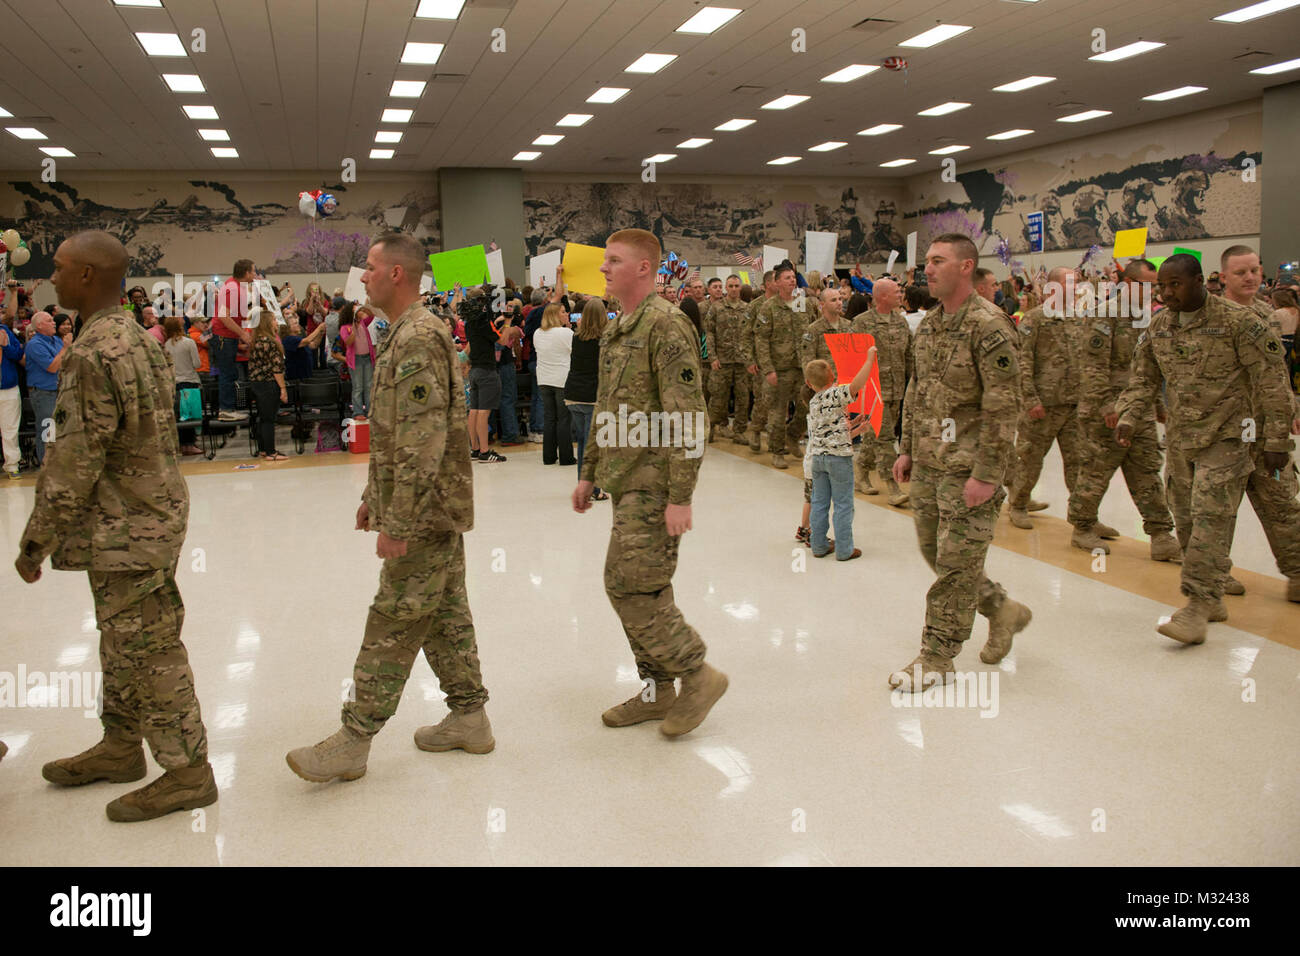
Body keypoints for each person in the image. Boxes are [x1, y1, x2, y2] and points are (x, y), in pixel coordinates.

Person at [17, 230, 216, 821]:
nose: (50, 277)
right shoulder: (134, 335)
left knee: (150, 648)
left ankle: (188, 772)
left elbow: (75, 458)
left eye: (58, 267)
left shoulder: (93, 351)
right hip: (145, 515)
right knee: (122, 640)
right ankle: (122, 746)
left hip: (129, 526)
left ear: (85, 277)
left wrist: (36, 541)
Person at [287, 232, 491, 782]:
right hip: (427, 506)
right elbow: (399, 432)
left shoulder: (419, 336)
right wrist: (372, 497)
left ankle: (354, 739)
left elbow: (423, 440)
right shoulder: (405, 332)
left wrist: (397, 520)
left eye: (371, 266)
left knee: (393, 618)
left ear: (396, 274)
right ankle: (469, 715)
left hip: (423, 512)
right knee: (444, 616)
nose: (364, 275)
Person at [572, 227, 726, 736]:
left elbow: (689, 416)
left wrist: (681, 496)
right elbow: (607, 407)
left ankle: (697, 675)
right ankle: (658, 690)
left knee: (631, 584)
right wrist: (589, 471)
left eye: (613, 260)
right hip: (624, 479)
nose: (603, 268)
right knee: (637, 584)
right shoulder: (619, 328)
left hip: (655, 481)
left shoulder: (666, 325)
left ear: (644, 268)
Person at [1114, 254, 1297, 644]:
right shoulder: (1160, 325)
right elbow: (1142, 378)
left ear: (1200, 281)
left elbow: (1273, 383)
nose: (1166, 293)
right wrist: (1129, 416)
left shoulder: (1239, 323)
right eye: (1161, 286)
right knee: (1186, 519)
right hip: (1183, 440)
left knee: (1214, 519)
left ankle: (1199, 604)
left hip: (1233, 436)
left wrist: (1278, 440)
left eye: (1175, 284)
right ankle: (1211, 595)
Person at [891, 234, 1033, 691]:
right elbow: (918, 391)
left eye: (938, 261)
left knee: (955, 564)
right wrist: (909, 447)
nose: (926, 270)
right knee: (936, 552)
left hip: (969, 468)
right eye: (926, 262)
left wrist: (988, 475)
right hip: (931, 463)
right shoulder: (929, 325)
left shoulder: (990, 327)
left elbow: (1004, 406)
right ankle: (1002, 609)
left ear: (966, 267)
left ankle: (937, 658)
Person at [1069, 259, 1178, 557]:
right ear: (1127, 283)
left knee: (1146, 471)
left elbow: (1148, 368)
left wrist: (1157, 404)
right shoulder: (1104, 315)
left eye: (1154, 286)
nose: (1152, 291)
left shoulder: (1147, 317)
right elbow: (1092, 367)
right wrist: (1106, 405)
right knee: (1096, 471)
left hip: (1137, 410)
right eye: (1145, 285)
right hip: (1105, 411)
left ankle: (1161, 534)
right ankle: (1082, 526)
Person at [1004, 267, 1088, 530]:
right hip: (1043, 403)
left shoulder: (1078, 317)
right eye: (1071, 283)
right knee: (1030, 458)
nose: (1076, 288)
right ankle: (1018, 504)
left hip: (1073, 403)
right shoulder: (1034, 319)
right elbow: (1022, 362)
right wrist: (1030, 400)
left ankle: (1084, 517)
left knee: (1079, 462)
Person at [805, 351, 877, 561]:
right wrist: (869, 360)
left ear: (809, 384)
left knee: (819, 502)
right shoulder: (835, 394)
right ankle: (844, 549)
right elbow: (857, 384)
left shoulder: (813, 402)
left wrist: (854, 428)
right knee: (843, 504)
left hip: (818, 458)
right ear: (832, 376)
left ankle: (818, 545)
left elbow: (830, 429)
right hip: (839, 459)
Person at [849, 278, 913, 505]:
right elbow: (854, 360)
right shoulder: (861, 323)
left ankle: (861, 470)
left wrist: (912, 384)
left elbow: (909, 356)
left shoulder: (901, 322)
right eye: (897, 291)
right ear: (883, 296)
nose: (901, 294)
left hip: (897, 390)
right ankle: (892, 485)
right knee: (885, 438)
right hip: (873, 391)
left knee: (876, 435)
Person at [754, 261, 808, 469]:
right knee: (777, 412)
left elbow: (810, 332)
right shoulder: (769, 307)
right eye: (787, 278)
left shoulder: (802, 303)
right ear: (776, 282)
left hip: (801, 367)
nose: (792, 280)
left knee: (805, 409)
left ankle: (792, 436)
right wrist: (768, 369)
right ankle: (777, 451)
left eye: (793, 277)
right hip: (779, 369)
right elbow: (761, 339)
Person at [565, 297, 608, 501]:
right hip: (593, 396)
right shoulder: (604, 341)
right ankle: (594, 489)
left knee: (583, 441)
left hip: (573, 394)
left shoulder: (576, 337)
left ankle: (583, 486)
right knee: (594, 446)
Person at [704, 274, 752, 442]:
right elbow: (709, 333)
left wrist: (750, 358)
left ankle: (739, 431)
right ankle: (710, 428)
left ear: (740, 287)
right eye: (730, 286)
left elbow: (751, 335)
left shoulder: (747, 309)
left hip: (741, 361)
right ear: (726, 288)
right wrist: (712, 357)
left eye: (736, 286)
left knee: (742, 397)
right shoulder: (716, 308)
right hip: (721, 360)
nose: (733, 289)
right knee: (717, 396)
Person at [22, 310, 71, 466]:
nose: (54, 323)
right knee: (47, 430)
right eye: (50, 321)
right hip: (43, 393)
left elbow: (68, 362)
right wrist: (65, 349)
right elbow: (52, 367)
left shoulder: (56, 341)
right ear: (40, 326)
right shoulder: (34, 345)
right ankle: (47, 464)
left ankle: (60, 462)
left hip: (60, 391)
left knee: (62, 429)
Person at [534, 303, 576, 466]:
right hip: (562, 379)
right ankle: (566, 457)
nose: (567, 315)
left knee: (550, 418)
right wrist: (569, 328)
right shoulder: (566, 333)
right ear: (555, 316)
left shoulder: (538, 333)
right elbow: (574, 351)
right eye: (564, 312)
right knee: (564, 419)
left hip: (544, 379)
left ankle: (549, 456)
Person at [213, 259, 254, 420]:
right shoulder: (234, 289)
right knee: (227, 373)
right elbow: (224, 316)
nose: (255, 274)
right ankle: (226, 409)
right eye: (253, 271)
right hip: (224, 336)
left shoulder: (235, 285)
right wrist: (242, 334)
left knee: (229, 373)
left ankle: (228, 408)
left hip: (227, 335)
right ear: (246, 273)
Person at [247, 308, 289, 461]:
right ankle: (271, 452)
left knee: (263, 417)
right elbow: (276, 368)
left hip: (256, 383)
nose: (276, 322)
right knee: (269, 419)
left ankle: (263, 449)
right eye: (273, 320)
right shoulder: (270, 342)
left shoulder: (256, 341)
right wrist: (283, 388)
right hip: (269, 384)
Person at [162, 316, 203, 457]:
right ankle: (191, 444)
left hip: (174, 383)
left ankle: (183, 445)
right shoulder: (189, 342)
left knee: (180, 415)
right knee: (191, 414)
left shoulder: (164, 345)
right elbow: (197, 364)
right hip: (190, 381)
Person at [745, 270, 776, 452]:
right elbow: (745, 335)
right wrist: (749, 360)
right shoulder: (755, 306)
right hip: (761, 362)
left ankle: (776, 440)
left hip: (783, 361)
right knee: (763, 400)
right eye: (775, 280)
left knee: (780, 402)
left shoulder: (790, 304)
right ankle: (756, 430)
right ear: (767, 284)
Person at [341, 303, 376, 419]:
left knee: (369, 386)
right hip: (356, 360)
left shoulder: (363, 323)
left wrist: (364, 308)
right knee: (358, 387)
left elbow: (371, 315)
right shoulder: (345, 328)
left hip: (367, 358)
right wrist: (354, 328)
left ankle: (370, 410)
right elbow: (348, 342)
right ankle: (358, 411)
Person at [0, 307, 23, 477]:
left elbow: (18, 354)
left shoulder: (6, 331)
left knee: (10, 428)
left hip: (8, 388)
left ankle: (12, 465)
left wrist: (6, 345)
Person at [282, 311, 326, 382]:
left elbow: (314, 345)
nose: (298, 325)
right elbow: (307, 340)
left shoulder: (298, 338)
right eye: (295, 323)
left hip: (305, 375)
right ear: (288, 328)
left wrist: (320, 333)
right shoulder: (289, 339)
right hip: (296, 377)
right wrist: (319, 328)